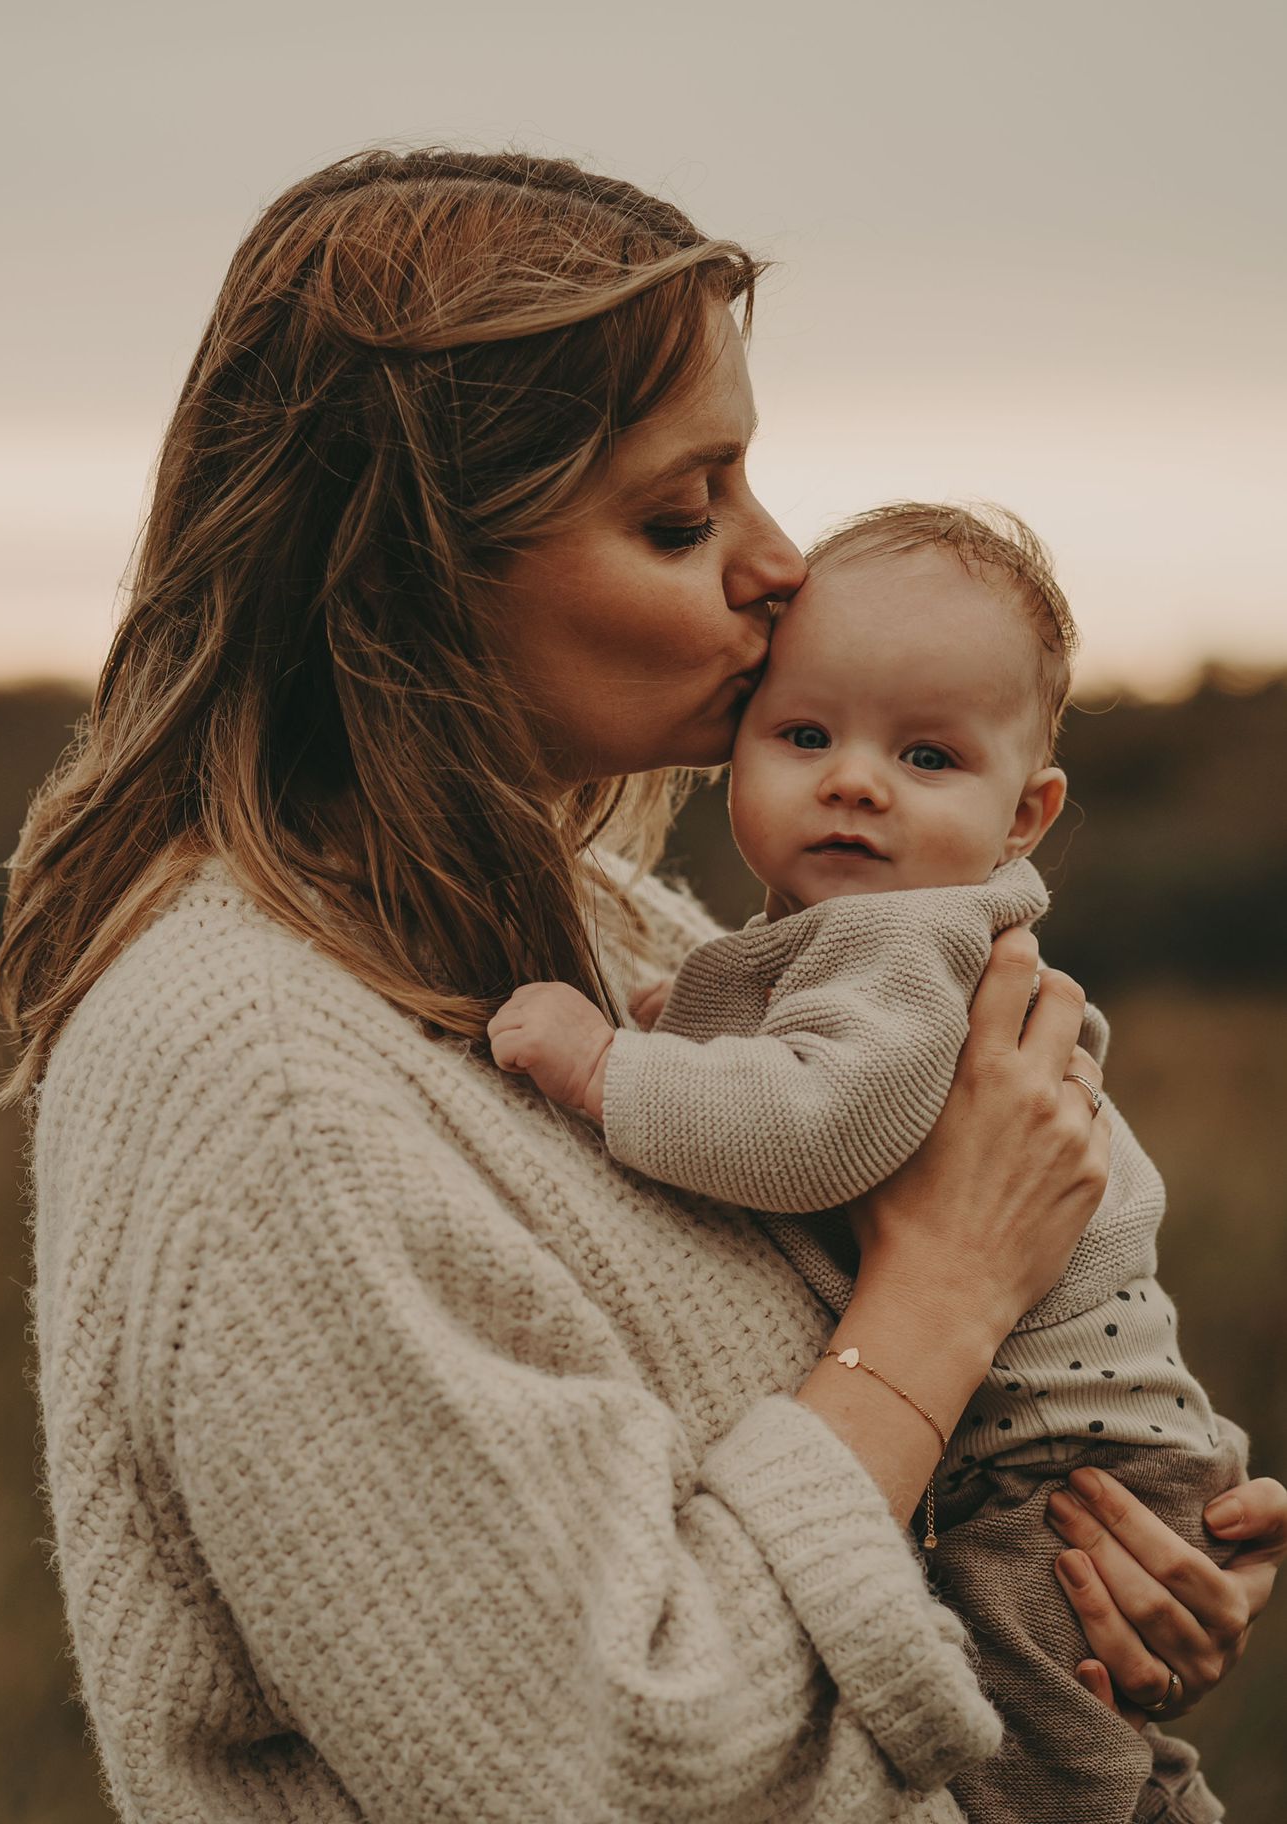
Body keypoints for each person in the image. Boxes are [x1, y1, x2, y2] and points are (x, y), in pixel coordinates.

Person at [0, 148, 1285, 1824]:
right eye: (682, 515)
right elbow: (615, 1761)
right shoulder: (260, 1076)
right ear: (413, 575)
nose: (777, 562)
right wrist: (953, 1287)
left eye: (751, 483)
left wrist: (1083, 1581)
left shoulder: (610, 931)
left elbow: (846, 1523)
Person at [488, 500, 1250, 1822]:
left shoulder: (905, 942)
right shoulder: (838, 938)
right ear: (738, 752)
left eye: (929, 756)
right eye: (804, 735)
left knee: (1030, 1748)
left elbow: (814, 1127)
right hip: (1077, 1432)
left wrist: (608, 1070)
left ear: (1028, 813)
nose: (854, 780)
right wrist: (694, 1028)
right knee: (1091, 1726)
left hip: (1052, 1459)